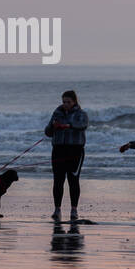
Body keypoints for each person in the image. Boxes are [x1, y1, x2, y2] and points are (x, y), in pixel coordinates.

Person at [44, 90, 88, 222]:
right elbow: (47, 132)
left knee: (73, 180)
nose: (65, 104)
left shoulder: (81, 114)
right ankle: (57, 209)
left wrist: (68, 125)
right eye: (64, 102)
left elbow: (83, 125)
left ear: (74, 102)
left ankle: (74, 209)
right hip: (58, 149)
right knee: (58, 180)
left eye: (68, 102)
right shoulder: (57, 113)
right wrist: (53, 126)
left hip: (75, 150)